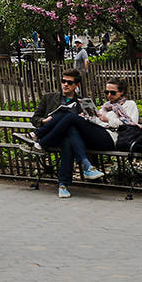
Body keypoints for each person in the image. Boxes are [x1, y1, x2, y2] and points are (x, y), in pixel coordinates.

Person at [31, 68, 108, 198]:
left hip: (70, 138)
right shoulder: (49, 98)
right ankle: (83, 168)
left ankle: (63, 185)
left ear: (76, 85)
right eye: (63, 81)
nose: (65, 84)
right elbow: (35, 118)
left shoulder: (81, 102)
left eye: (69, 82)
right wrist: (44, 121)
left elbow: (85, 125)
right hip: (53, 134)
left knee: (68, 137)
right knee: (64, 118)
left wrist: (84, 117)